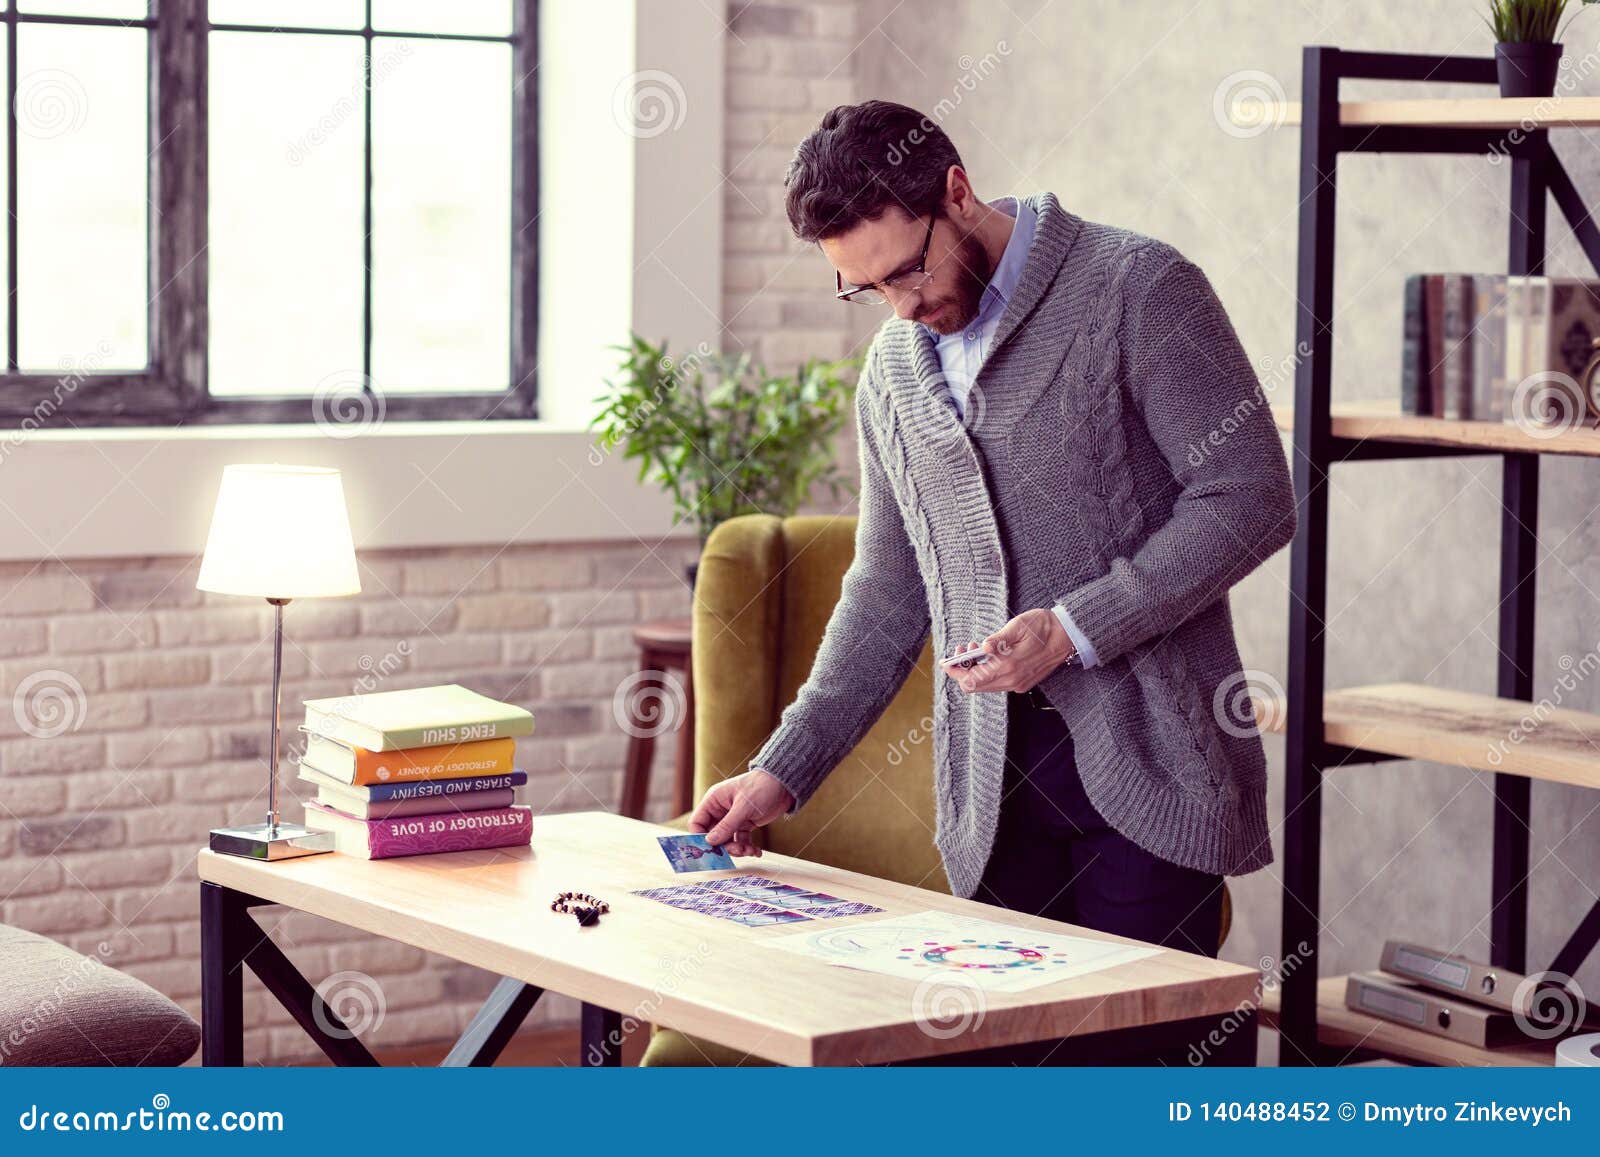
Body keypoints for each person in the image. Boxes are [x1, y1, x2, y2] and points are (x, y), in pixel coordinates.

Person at [690, 100, 1296, 958]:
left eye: (907, 271)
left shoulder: (1139, 288)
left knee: (1135, 1067)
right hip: (991, 788)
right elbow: (888, 591)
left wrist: (1074, 629)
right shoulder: (894, 374)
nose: (900, 307)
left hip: (1150, 761)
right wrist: (782, 768)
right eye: (867, 288)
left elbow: (1251, 494)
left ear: (958, 193)